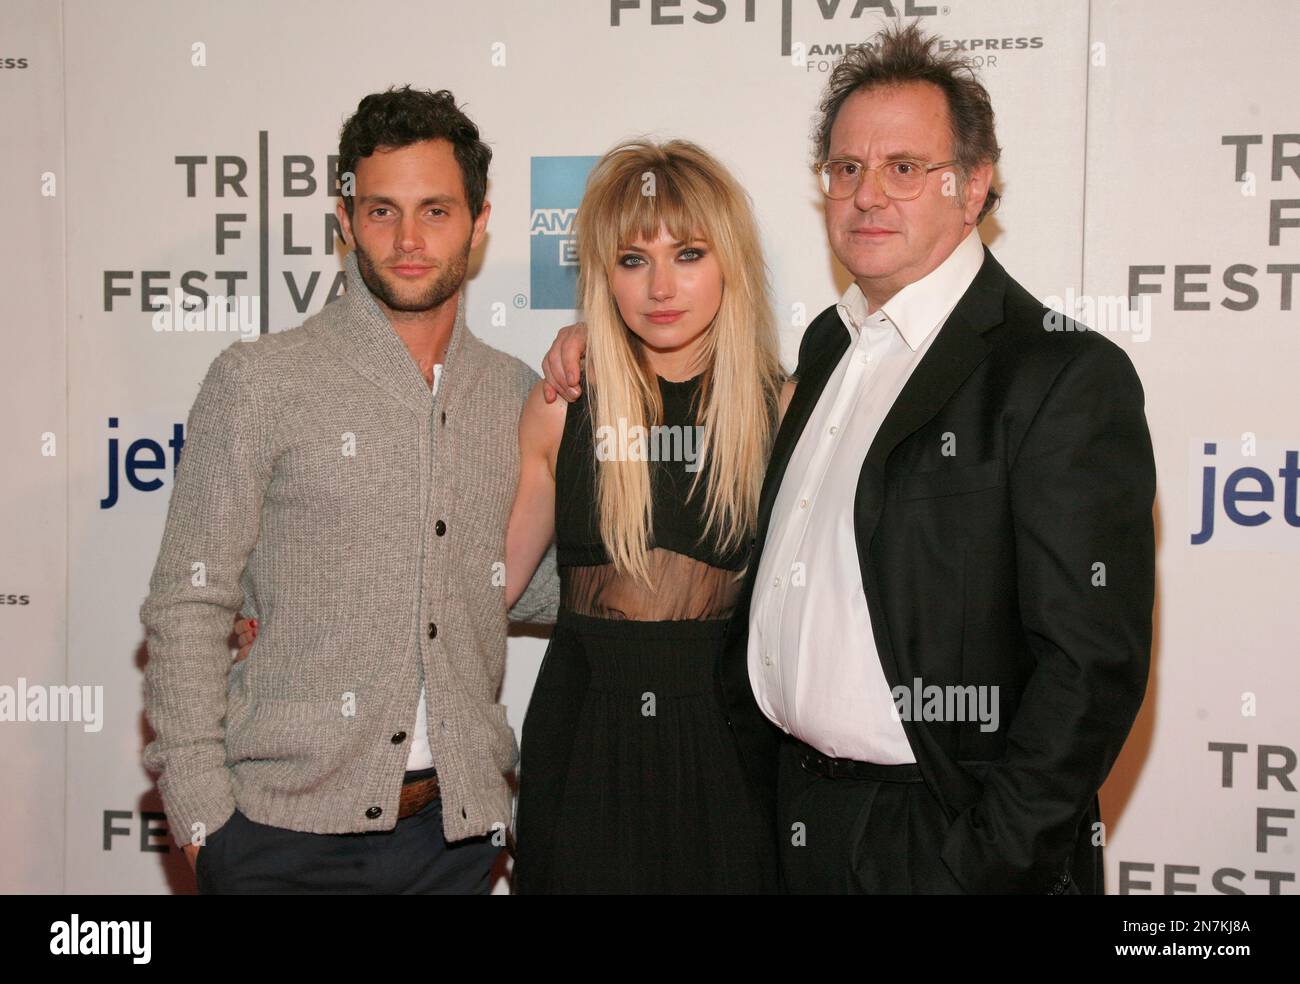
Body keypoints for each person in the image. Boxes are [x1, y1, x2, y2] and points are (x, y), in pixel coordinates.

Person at [540, 23, 1156, 894]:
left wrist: (979, 864)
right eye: (846, 169)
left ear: (972, 186)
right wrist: (593, 340)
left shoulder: (1058, 374)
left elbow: (1089, 673)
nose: (868, 195)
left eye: (906, 168)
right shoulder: (828, 348)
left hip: (939, 835)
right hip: (789, 817)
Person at [141, 85, 559, 895]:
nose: (408, 239)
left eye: (436, 211)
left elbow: (520, 582)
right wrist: (206, 830)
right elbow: (187, 608)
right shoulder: (261, 381)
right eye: (381, 211)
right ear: (345, 221)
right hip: (278, 845)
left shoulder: (516, 397)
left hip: (456, 843)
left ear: (478, 224)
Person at [505, 138, 790, 893]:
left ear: (731, 262)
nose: (661, 286)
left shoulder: (784, 412)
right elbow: (482, 585)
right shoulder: (564, 407)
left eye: (689, 254)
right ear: (604, 276)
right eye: (633, 260)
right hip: (583, 743)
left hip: (731, 748)